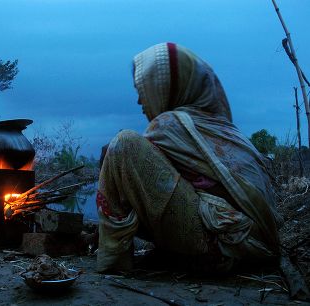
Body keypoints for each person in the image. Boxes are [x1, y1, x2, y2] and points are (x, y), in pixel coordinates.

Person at [96, 42, 282, 273]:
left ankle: (114, 259)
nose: (140, 101)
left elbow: (132, 176)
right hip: (253, 246)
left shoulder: (171, 125)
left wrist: (113, 160)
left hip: (229, 245)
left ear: (166, 88)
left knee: (124, 144)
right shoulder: (220, 128)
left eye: (144, 91)